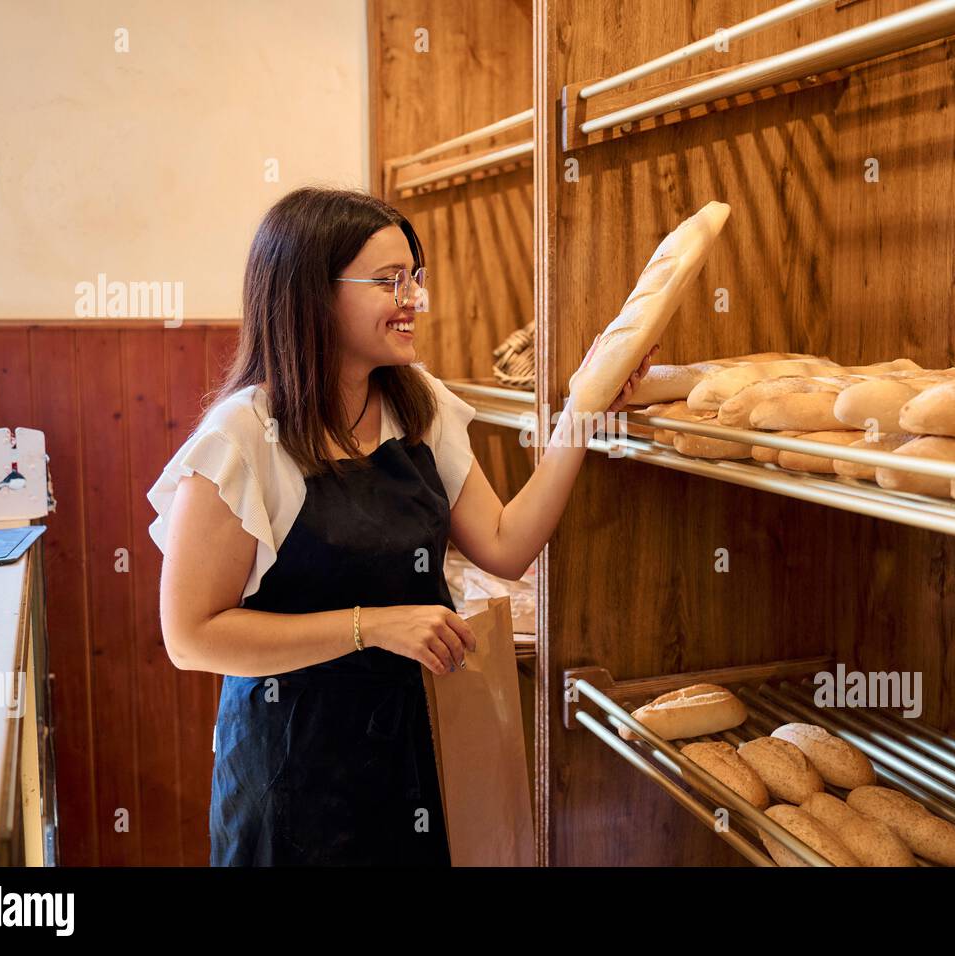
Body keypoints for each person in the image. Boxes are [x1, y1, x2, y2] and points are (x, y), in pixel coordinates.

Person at [146, 187, 653, 865]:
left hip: (414, 746)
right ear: (311, 295)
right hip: (293, 768)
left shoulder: (421, 404)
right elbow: (191, 636)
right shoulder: (244, 436)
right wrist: (374, 624)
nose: (413, 297)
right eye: (389, 282)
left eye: (415, 278)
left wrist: (580, 418)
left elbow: (505, 545)